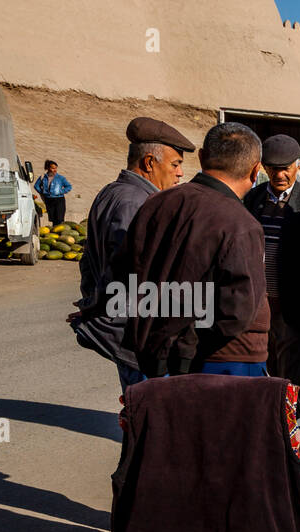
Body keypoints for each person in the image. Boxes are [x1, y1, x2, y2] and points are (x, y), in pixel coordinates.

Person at [121, 123, 270, 378]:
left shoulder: (156, 203)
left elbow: (124, 271)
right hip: (221, 360)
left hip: (154, 351)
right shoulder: (242, 225)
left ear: (201, 157)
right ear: (256, 170)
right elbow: (237, 312)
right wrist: (188, 338)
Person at [71, 117, 195, 394]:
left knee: (141, 416)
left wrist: (91, 303)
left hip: (127, 331)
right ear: (149, 163)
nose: (179, 174)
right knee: (153, 421)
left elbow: (88, 260)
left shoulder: (111, 193)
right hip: (138, 337)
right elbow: (129, 270)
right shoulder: (138, 203)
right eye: (175, 164)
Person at [244, 134, 300, 437]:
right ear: (263, 168)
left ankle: (295, 437)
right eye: (272, 168)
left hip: (297, 307)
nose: (280, 175)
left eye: (286, 168)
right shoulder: (253, 200)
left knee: (292, 377)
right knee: (275, 373)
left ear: (298, 166)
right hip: (260, 307)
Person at [34, 160, 73, 226]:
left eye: (55, 168)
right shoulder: (43, 177)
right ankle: (54, 230)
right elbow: (36, 186)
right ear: (48, 168)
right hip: (49, 200)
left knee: (60, 218)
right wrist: (43, 192)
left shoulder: (60, 178)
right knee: (52, 218)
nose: (55, 170)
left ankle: (59, 232)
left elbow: (69, 186)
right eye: (52, 168)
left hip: (59, 200)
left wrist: (60, 191)